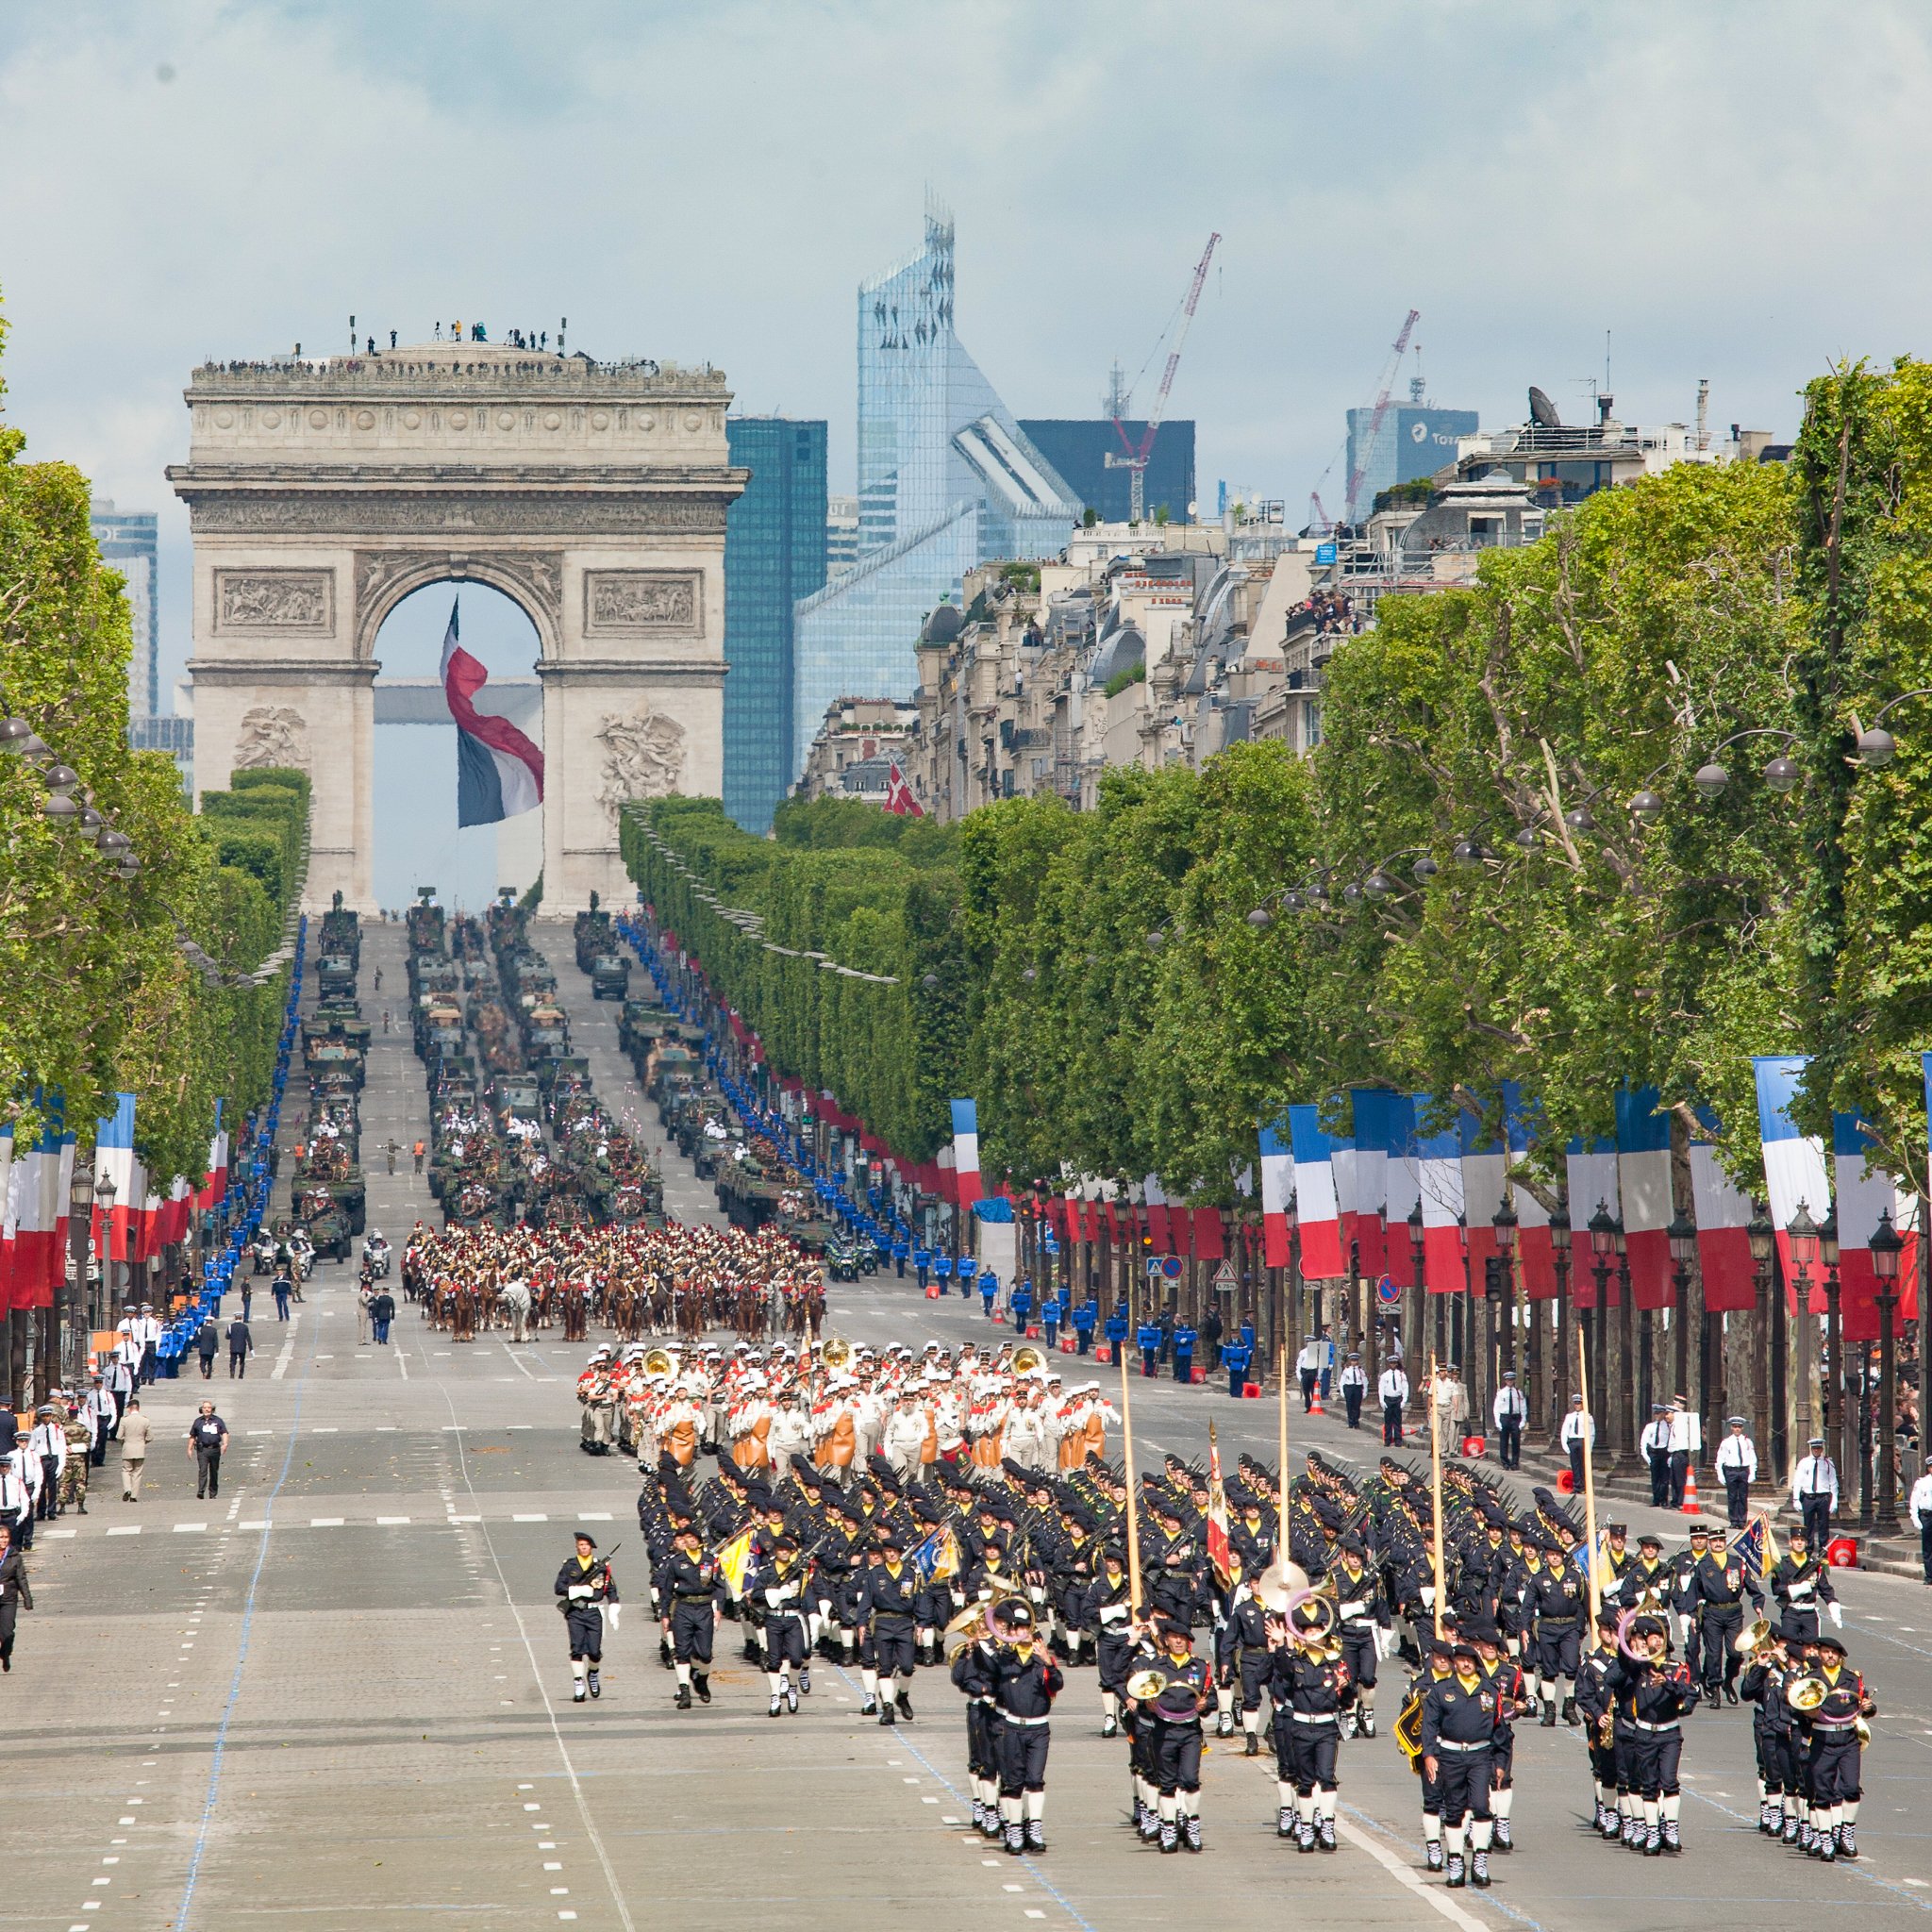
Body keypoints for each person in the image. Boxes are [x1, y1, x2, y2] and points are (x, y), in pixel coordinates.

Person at [1421, 1641, 1498, 1889]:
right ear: (1455, 1663)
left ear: (1476, 1663)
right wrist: (1429, 1755)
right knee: (1453, 1811)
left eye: (1470, 1660)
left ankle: (1480, 1861)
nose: (1465, 1664)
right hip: (1451, 1755)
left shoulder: (1489, 1691)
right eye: (1461, 1660)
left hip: (1480, 1755)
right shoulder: (1442, 1691)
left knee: (1481, 1806)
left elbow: (1500, 1731)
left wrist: (1501, 1762)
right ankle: (1456, 1863)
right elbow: (1429, 1725)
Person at [991, 1601, 1063, 1855]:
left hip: (1038, 1728)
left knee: (1035, 1780)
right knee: (1013, 1782)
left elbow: (1056, 1685)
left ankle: (1034, 1827)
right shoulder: (1004, 1660)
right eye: (1017, 1628)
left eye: (1026, 1628)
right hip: (1012, 1726)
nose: (1022, 1632)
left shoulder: (1041, 1662)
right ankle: (1013, 1829)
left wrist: (1048, 1662)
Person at [554, 1531, 619, 1703]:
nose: (583, 1548)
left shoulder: (600, 1567)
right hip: (575, 1612)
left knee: (594, 1651)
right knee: (577, 1649)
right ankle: (578, 1683)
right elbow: (558, 1587)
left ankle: (593, 1674)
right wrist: (575, 1590)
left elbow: (610, 1588)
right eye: (580, 1545)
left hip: (593, 1612)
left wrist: (614, 1606)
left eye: (586, 1545)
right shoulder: (570, 1565)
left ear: (591, 1547)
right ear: (577, 1547)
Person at [1791, 1436, 1839, 1549]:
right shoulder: (1804, 1463)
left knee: (1824, 1525)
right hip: (1809, 1497)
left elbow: (1833, 1482)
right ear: (1811, 1449)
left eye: (1818, 1448)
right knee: (1808, 1525)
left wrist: (1834, 1500)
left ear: (1822, 1449)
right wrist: (1796, 1499)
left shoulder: (1828, 1463)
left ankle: (1823, 1549)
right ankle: (1808, 1548)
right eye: (1814, 1448)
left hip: (1823, 1497)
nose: (1816, 1450)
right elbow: (1797, 1481)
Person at [1715, 1416, 1758, 1528]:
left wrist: (1752, 1472)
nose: (1737, 1429)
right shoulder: (1726, 1442)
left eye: (1739, 1427)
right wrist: (1720, 1474)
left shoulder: (1747, 1442)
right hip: (1731, 1471)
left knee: (1743, 1497)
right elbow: (1720, 1459)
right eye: (1735, 1427)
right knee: (1732, 1496)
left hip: (1743, 1470)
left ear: (1742, 1428)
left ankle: (1742, 1521)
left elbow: (1752, 1458)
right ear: (1731, 1428)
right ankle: (1734, 1520)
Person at [0, 1520, 31, 1672]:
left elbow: (21, 1578)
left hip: (8, 1598)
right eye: (1, 1537)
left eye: (6, 1537)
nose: (3, 1540)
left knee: (7, 1631)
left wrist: (27, 1598)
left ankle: (5, 1654)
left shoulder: (15, 1556)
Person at [189, 1401, 228, 1498]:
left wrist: (225, 1444)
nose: (207, 1409)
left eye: (209, 1408)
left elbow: (224, 1432)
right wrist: (189, 1449)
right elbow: (192, 1436)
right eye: (205, 1408)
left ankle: (213, 1493)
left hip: (214, 1449)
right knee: (203, 1470)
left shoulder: (218, 1420)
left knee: (214, 1471)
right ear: (201, 1409)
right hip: (202, 1450)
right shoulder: (198, 1421)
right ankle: (201, 1491)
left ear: (212, 1409)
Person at [1491, 1370, 1526, 1470]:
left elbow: (1523, 1407)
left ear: (1514, 1381)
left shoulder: (1518, 1393)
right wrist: (1497, 1421)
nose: (1510, 1382)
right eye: (1508, 1380)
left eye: (1511, 1380)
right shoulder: (1501, 1393)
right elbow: (1496, 1408)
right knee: (1504, 1441)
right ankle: (1505, 1462)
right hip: (1504, 1417)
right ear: (1505, 1381)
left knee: (1516, 1441)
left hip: (1515, 1418)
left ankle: (1515, 1462)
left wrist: (1523, 1420)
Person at [1559, 1394, 1594, 1491]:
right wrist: (1565, 1446)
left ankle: (1583, 1486)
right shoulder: (1570, 1417)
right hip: (1573, 1441)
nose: (1577, 1405)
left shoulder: (1588, 1417)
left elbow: (1591, 1433)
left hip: (1582, 1440)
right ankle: (1576, 1485)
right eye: (1576, 1403)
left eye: (1579, 1403)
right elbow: (1564, 1431)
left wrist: (1589, 1447)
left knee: (1583, 1465)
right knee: (1575, 1465)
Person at [1641, 1403, 1673, 1507]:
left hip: (1664, 1452)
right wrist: (1645, 1455)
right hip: (1653, 1453)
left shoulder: (1668, 1427)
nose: (1657, 1416)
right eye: (1655, 1414)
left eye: (1659, 1413)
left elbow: (1671, 1440)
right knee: (1655, 1477)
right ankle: (1656, 1499)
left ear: (1663, 1414)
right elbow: (1644, 1441)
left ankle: (1664, 1499)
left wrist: (1670, 1455)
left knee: (1664, 1478)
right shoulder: (1650, 1427)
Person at [121, 1396, 151, 1501]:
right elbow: (150, 1437)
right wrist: (143, 1442)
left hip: (127, 1448)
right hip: (140, 1449)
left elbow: (119, 1436)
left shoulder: (124, 1420)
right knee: (137, 1473)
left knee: (126, 1470)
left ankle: (127, 1489)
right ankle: (134, 1496)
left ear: (129, 1409)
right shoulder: (145, 1420)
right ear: (138, 1408)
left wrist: (124, 1443)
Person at [1911, 1453, 1932, 1585]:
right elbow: (1914, 1500)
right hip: (1927, 1515)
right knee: (1928, 1547)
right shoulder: (1922, 1482)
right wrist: (1915, 1518)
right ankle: (1930, 1576)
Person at [1378, 1357, 1409, 1445]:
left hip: (1397, 1399)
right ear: (1389, 1364)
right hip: (1388, 1398)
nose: (1393, 1365)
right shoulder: (1385, 1375)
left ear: (1397, 1364)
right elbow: (1381, 1388)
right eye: (1391, 1363)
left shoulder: (1401, 1375)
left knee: (1397, 1421)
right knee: (1388, 1421)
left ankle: (1398, 1439)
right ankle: (1387, 1439)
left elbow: (1405, 1387)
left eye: (1395, 1363)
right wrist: (1382, 1401)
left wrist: (1404, 1400)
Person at [1339, 1351, 1369, 1429]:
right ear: (1350, 1361)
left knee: (1357, 1406)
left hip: (1357, 1388)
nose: (1354, 1362)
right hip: (1349, 1388)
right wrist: (1342, 1391)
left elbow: (1365, 1381)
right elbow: (1342, 1381)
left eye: (1355, 1361)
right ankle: (1350, 1422)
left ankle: (1356, 1422)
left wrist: (1365, 1391)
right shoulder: (1347, 1370)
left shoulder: (1360, 1370)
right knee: (1349, 1406)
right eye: (1352, 1360)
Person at [1295, 1335, 1323, 1412]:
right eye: (1308, 1342)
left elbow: (1320, 1364)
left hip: (1313, 1372)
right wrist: (1299, 1375)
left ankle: (1314, 1405)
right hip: (1305, 1372)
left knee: (1313, 1390)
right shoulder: (1302, 1352)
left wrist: (1319, 1375)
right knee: (1306, 1391)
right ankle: (1308, 1406)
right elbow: (1299, 1364)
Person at [228, 1312, 254, 1377]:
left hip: (233, 1346)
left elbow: (227, 1336)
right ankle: (241, 1374)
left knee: (232, 1361)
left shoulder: (231, 1326)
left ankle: (232, 1373)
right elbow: (248, 1338)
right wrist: (251, 1349)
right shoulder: (244, 1327)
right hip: (242, 1346)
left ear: (235, 1318)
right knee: (242, 1361)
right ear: (241, 1318)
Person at [195, 1314, 220, 1378]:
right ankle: (209, 1373)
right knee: (210, 1363)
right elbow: (215, 1341)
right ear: (211, 1322)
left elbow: (197, 1339)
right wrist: (217, 1350)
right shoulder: (214, 1330)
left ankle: (204, 1371)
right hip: (210, 1349)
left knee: (202, 1363)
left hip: (203, 1348)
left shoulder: (201, 1329)